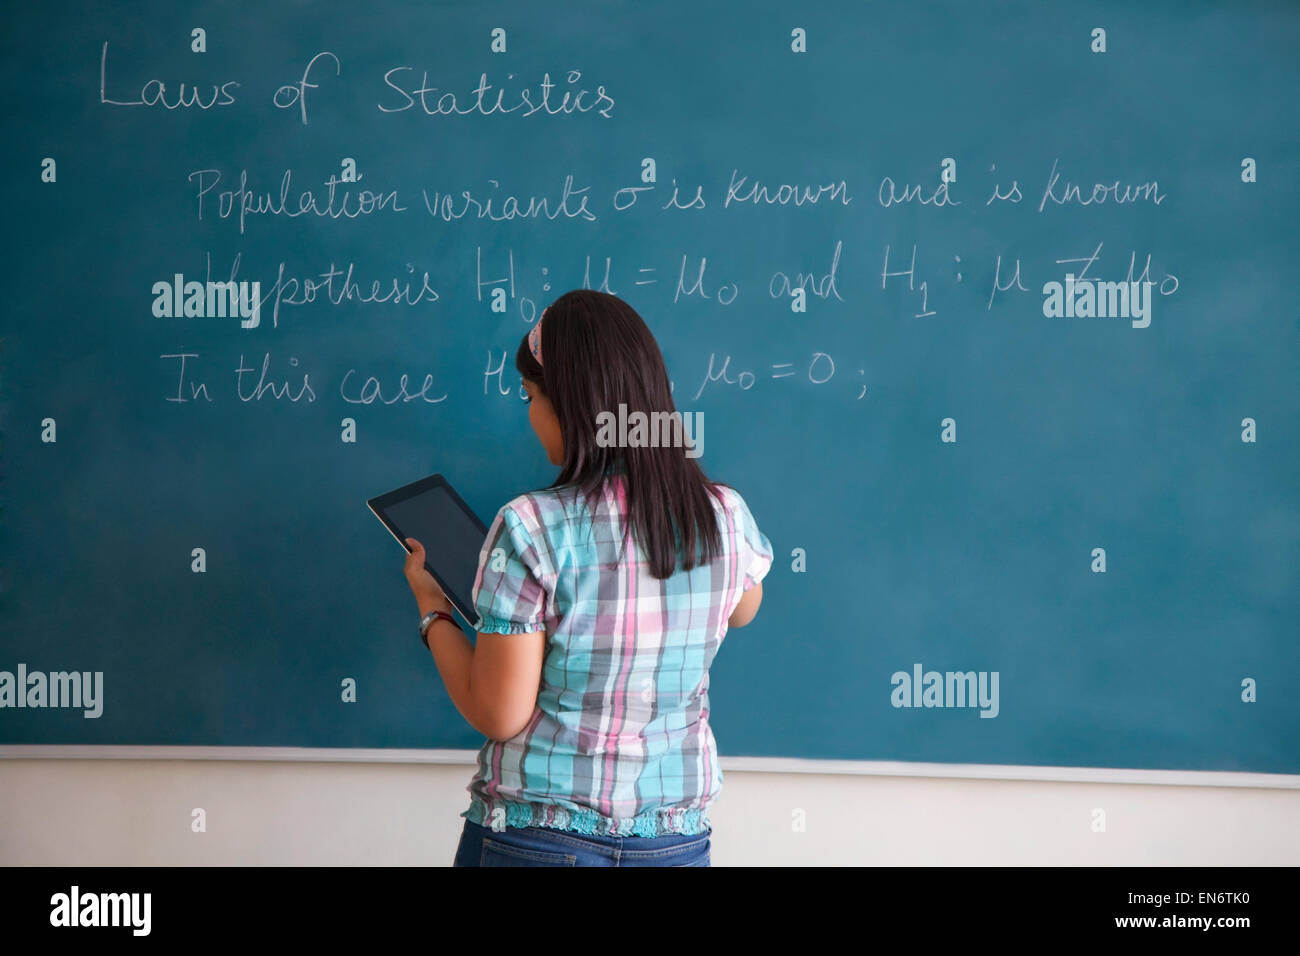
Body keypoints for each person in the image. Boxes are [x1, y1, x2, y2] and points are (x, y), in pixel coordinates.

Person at [403, 289, 773, 866]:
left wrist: (435, 613)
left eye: (531, 396)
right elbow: (744, 608)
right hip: (672, 842)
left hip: (540, 839)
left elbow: (500, 713)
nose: (530, 416)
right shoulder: (724, 516)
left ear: (569, 406)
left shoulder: (530, 527)